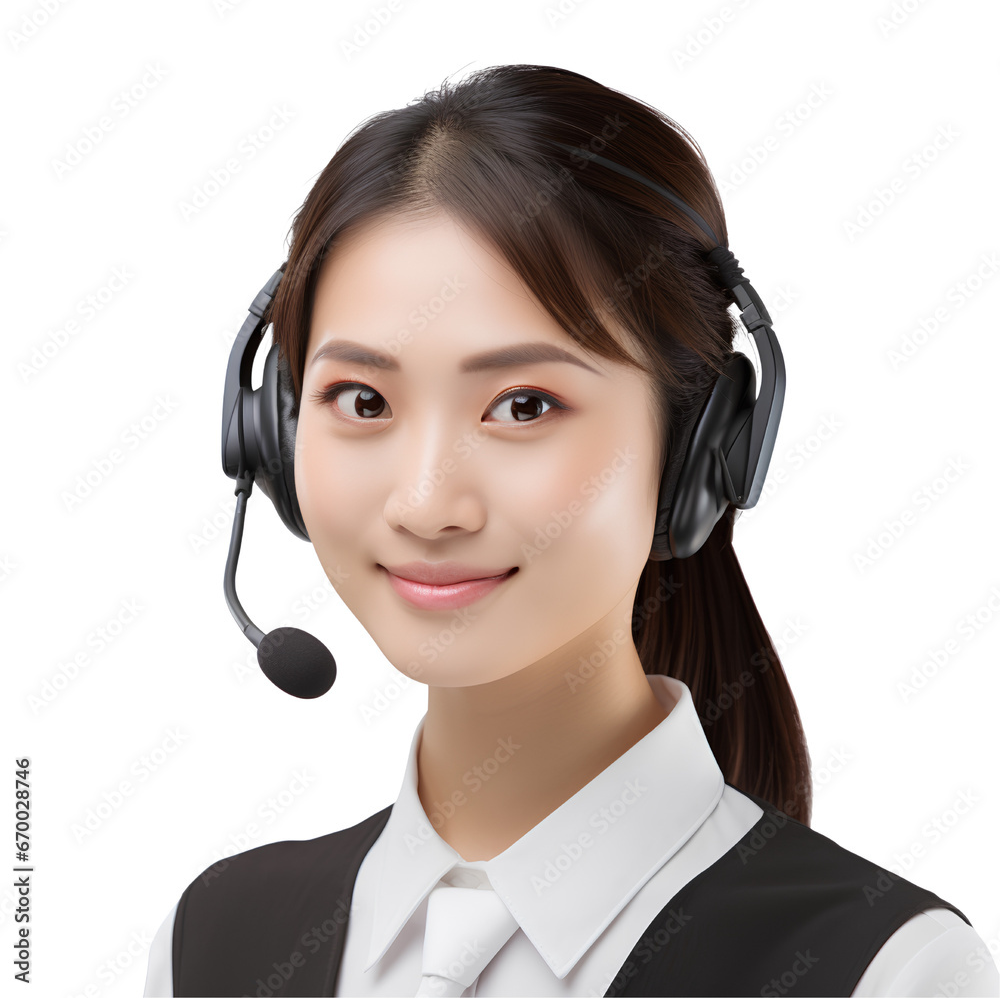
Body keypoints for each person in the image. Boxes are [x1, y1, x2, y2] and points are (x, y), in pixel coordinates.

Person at [144, 64, 997, 996]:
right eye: (362, 399)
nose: (428, 503)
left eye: (522, 405)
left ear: (696, 451)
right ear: (271, 435)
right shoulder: (211, 942)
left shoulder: (886, 971)